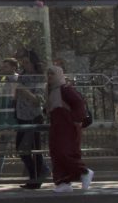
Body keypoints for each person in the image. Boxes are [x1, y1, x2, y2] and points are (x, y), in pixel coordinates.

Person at [44, 63, 93, 192]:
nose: (49, 76)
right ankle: (63, 182)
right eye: (48, 74)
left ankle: (84, 172)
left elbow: (78, 104)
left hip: (67, 125)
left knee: (65, 151)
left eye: (52, 73)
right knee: (56, 152)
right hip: (57, 125)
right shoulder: (52, 90)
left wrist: (76, 120)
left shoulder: (65, 89)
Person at [6, 55, 46, 189]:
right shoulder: (22, 77)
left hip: (33, 116)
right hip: (21, 115)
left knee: (33, 148)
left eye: (27, 63)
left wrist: (23, 90)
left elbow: (38, 99)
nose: (25, 66)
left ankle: (36, 177)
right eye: (23, 63)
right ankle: (35, 174)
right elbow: (15, 95)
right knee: (21, 148)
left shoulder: (39, 78)